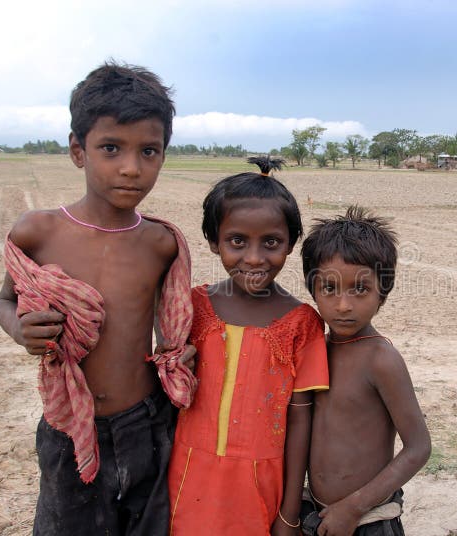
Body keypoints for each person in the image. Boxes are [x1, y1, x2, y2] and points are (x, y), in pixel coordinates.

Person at [0, 61, 197, 535]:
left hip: (147, 424)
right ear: (77, 150)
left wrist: (181, 358)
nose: (131, 167)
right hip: (70, 429)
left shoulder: (160, 243)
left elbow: (173, 328)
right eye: (111, 148)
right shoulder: (38, 232)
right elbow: (4, 302)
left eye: (149, 151)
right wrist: (19, 329)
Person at [168, 156, 329, 535]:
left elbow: (300, 418)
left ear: (290, 244)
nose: (254, 258)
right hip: (187, 472)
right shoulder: (193, 306)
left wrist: (289, 513)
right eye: (237, 241)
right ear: (213, 241)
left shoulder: (301, 324)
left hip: (261, 482)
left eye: (270, 242)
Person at [300, 206, 431, 536]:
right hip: (318, 513)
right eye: (329, 288)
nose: (343, 305)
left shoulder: (380, 359)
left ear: (382, 293)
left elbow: (418, 448)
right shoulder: (312, 349)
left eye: (360, 289)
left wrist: (353, 507)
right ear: (312, 289)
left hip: (369, 519)